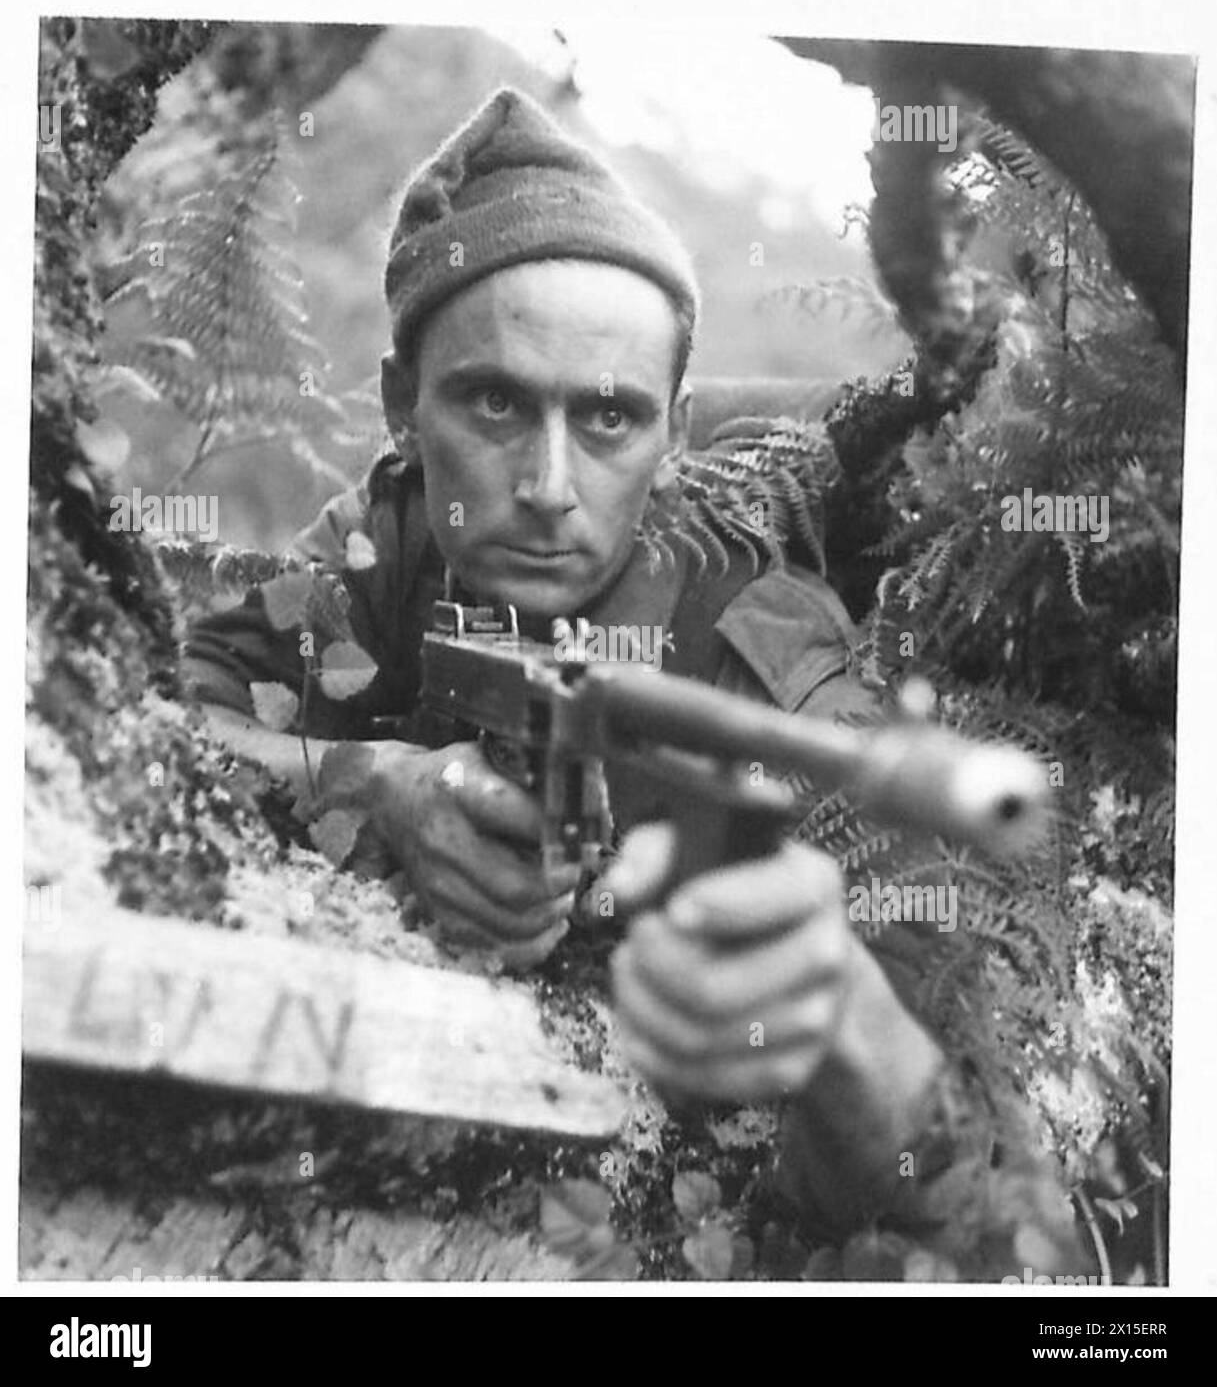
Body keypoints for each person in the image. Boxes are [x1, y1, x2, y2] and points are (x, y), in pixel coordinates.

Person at [183, 86, 1083, 1273]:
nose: (547, 483)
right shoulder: (389, 543)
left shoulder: (755, 644)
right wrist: (373, 783)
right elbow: (153, 717)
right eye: (494, 401)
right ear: (404, 407)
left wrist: (840, 1027)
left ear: (668, 432)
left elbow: (1003, 1212)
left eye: (607, 418)